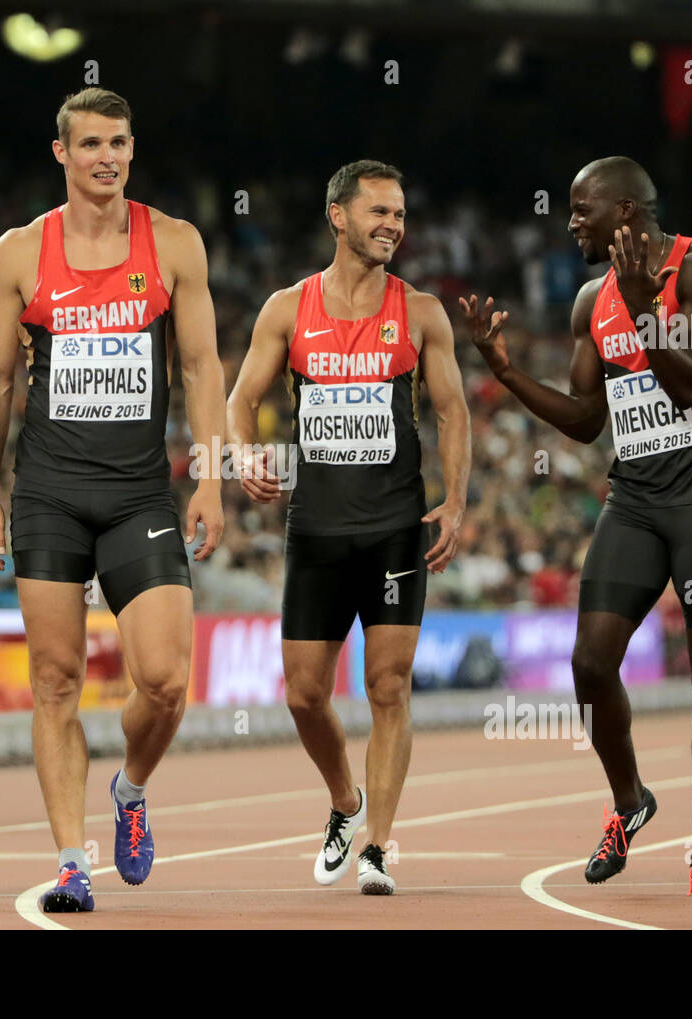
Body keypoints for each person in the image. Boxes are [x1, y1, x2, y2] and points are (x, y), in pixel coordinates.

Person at [465, 156, 692, 896]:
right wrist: (507, 374)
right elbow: (589, 418)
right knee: (591, 663)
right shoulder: (592, 299)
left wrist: (644, 305)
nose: (569, 222)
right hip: (635, 499)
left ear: (627, 211)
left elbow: (690, 387)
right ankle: (631, 799)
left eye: (580, 209)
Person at [0, 89, 226, 913]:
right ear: (61, 154)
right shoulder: (19, 253)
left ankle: (131, 788)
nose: (107, 157)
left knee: (163, 681)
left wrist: (213, 476)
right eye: (90, 144)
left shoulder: (174, 244)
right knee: (55, 680)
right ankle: (71, 860)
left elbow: (201, 369)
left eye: (119, 141)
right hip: (47, 491)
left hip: (138, 493)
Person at [226, 160, 471, 894]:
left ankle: (379, 846)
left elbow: (454, 411)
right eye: (379, 212)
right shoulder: (287, 308)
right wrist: (243, 453)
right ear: (339, 216)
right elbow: (241, 398)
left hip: (396, 526)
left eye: (400, 214)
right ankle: (343, 799)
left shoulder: (421, 311)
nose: (393, 225)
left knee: (387, 685)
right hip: (318, 530)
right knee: (304, 692)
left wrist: (455, 502)